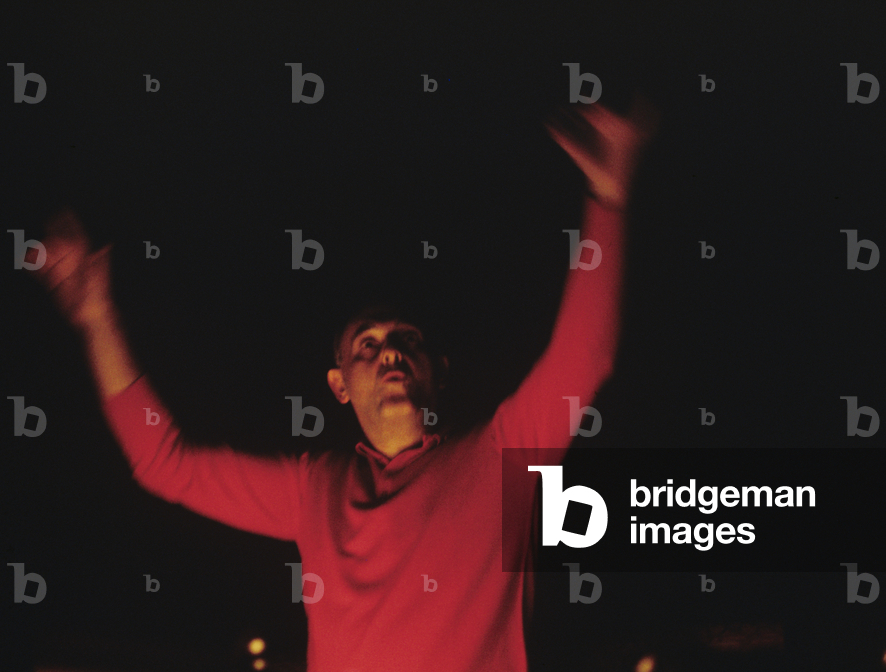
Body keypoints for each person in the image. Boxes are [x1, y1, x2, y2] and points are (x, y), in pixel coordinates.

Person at [29, 96, 660, 672]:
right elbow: (165, 464)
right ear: (339, 383)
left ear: (436, 370)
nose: (389, 354)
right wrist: (97, 319)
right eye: (368, 345)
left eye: (405, 341)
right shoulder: (314, 489)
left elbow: (584, 359)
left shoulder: (502, 460)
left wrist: (608, 200)